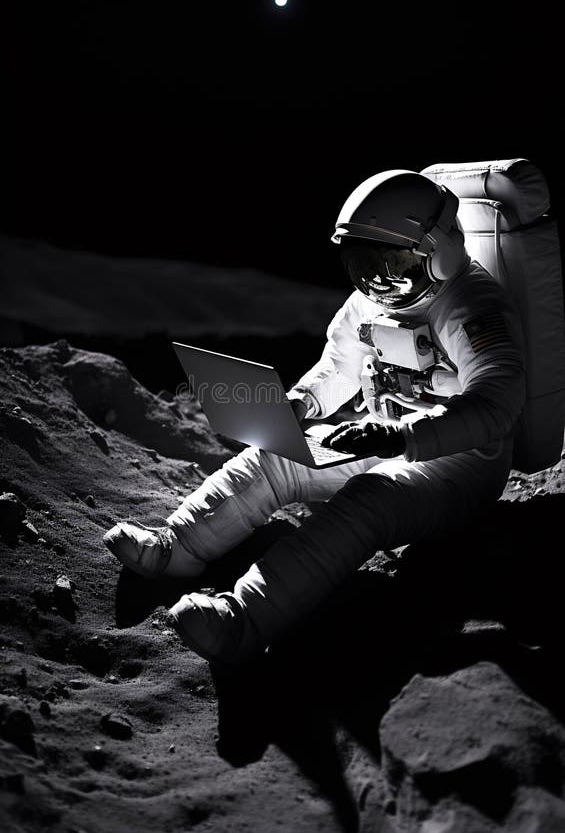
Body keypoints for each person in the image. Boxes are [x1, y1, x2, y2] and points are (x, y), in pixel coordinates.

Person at [103, 169, 526, 666]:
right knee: (275, 457)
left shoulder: (472, 308)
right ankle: (177, 548)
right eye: (363, 266)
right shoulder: (372, 301)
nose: (376, 281)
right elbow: (340, 364)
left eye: (391, 265)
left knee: (367, 501)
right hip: (382, 440)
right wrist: (303, 403)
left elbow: (497, 403)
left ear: (439, 251)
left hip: (460, 462)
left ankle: (243, 621)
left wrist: (403, 436)